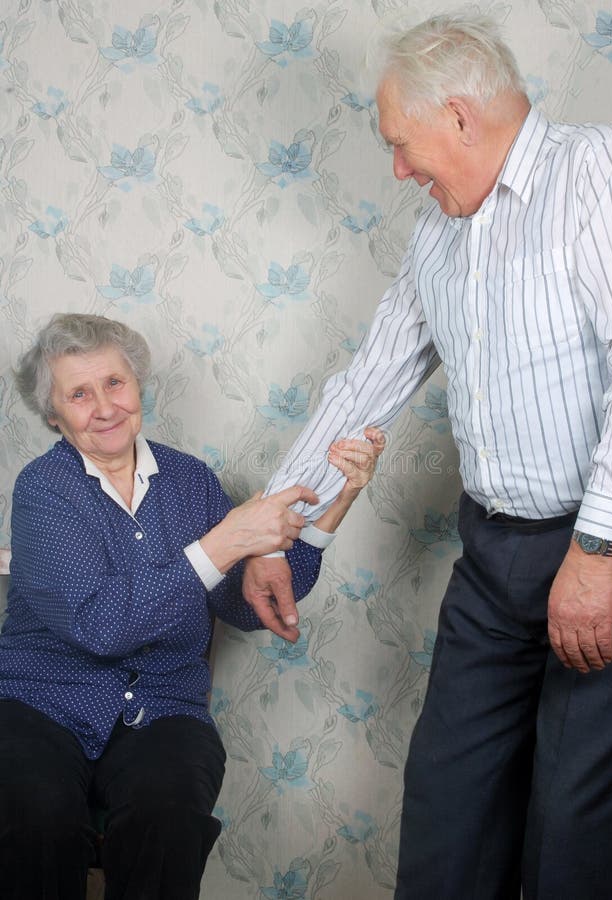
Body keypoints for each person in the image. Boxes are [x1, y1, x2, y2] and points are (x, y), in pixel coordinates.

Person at [241, 11, 612, 900]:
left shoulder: (598, 167)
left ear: (461, 118)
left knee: (573, 845)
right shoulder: (441, 233)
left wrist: (597, 550)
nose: (398, 169)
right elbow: (367, 384)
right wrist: (278, 531)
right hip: (493, 558)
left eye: (402, 144)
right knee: (447, 821)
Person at [0, 312, 384, 900]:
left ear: (138, 386)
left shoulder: (190, 481)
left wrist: (338, 501)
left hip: (161, 707)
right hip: (41, 703)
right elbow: (99, 626)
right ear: (53, 414)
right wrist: (225, 540)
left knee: (170, 812)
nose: (104, 407)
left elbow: (248, 604)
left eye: (114, 383)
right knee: (38, 818)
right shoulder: (43, 491)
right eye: (78, 393)